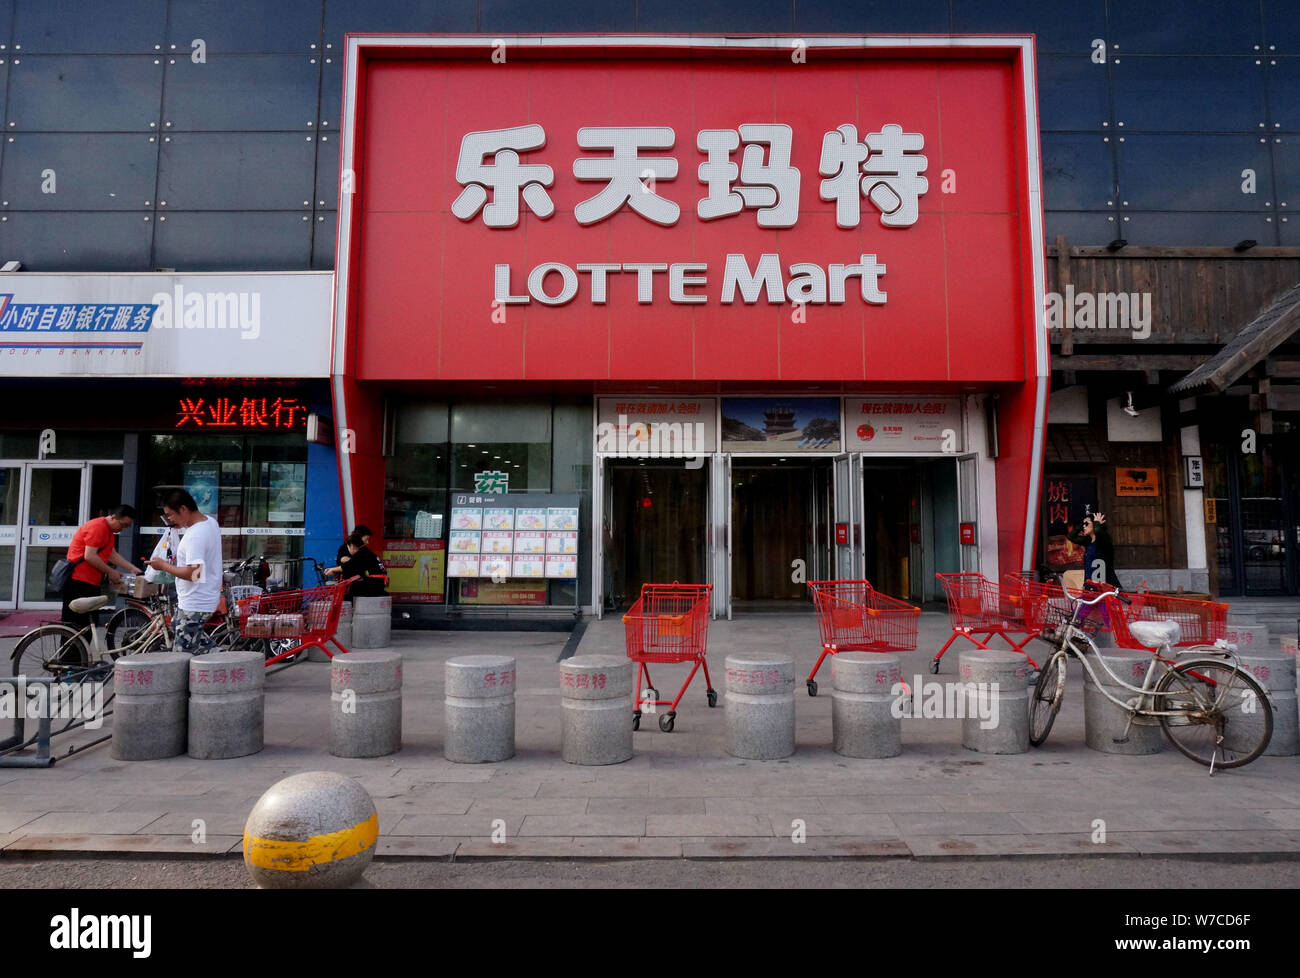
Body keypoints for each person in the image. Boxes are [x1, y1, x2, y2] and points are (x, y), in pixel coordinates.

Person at [146, 489, 223, 656]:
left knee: (181, 655)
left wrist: (163, 566)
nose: (169, 520)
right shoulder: (210, 522)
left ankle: (224, 666)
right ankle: (222, 659)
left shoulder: (196, 535)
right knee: (187, 635)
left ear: (183, 509)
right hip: (200, 599)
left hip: (195, 603)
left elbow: (194, 574)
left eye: (170, 515)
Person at [62, 505, 143, 630]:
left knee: (89, 625)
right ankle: (71, 650)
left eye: (127, 526)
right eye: (123, 525)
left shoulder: (108, 530)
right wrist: (111, 572)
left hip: (90, 582)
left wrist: (132, 568)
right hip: (79, 581)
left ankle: (82, 650)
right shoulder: (98, 527)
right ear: (113, 517)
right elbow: (89, 556)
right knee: (76, 626)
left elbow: (112, 554)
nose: (123, 529)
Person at [1068, 511, 1122, 589]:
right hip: (1090, 586)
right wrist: (1081, 525)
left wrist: (1096, 523)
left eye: (1087, 524)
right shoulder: (1088, 540)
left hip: (1104, 587)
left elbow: (1098, 532)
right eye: (1084, 525)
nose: (1084, 527)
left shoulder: (1105, 540)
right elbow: (1071, 537)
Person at [331, 531, 387, 598]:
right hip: (378, 582)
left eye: (348, 548)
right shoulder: (365, 551)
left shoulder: (361, 553)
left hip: (375, 584)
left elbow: (347, 566)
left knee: (347, 590)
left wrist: (332, 570)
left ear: (351, 545)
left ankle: (350, 608)